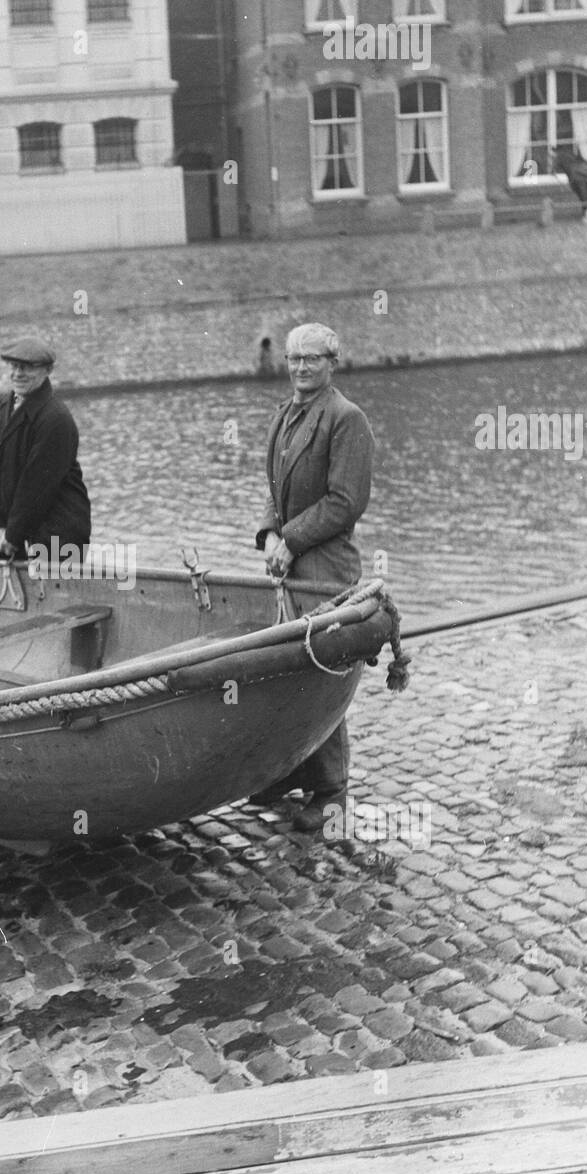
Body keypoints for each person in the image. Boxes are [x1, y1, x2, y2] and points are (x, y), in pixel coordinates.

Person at [252, 322, 375, 831]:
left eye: (312, 358)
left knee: (323, 678)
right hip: (290, 568)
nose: (301, 367)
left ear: (332, 363)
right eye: (294, 358)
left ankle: (332, 793)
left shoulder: (346, 419)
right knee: (290, 674)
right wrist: (268, 535)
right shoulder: (285, 414)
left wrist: (291, 540)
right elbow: (275, 490)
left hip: (326, 573)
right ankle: (293, 770)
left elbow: (345, 502)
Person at [0, 337, 91, 563]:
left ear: (48, 371)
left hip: (58, 530)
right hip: (17, 523)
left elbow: (38, 485)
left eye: (27, 367)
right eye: (14, 366)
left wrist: (13, 535)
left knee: (46, 581)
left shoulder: (56, 418)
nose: (18, 374)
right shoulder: (4, 406)